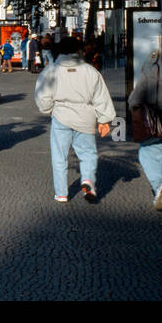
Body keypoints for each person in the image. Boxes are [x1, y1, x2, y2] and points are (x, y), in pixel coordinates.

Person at [35, 36, 115, 203]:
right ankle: (88, 180)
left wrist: (49, 109)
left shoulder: (51, 71)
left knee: (59, 156)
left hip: (61, 115)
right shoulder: (90, 70)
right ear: (78, 51)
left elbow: (43, 95)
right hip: (85, 116)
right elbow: (101, 96)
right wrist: (104, 120)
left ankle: (61, 193)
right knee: (88, 153)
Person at [129, 44, 162, 210]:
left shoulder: (153, 71)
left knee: (149, 153)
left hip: (157, 122)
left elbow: (134, 100)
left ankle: (160, 185)